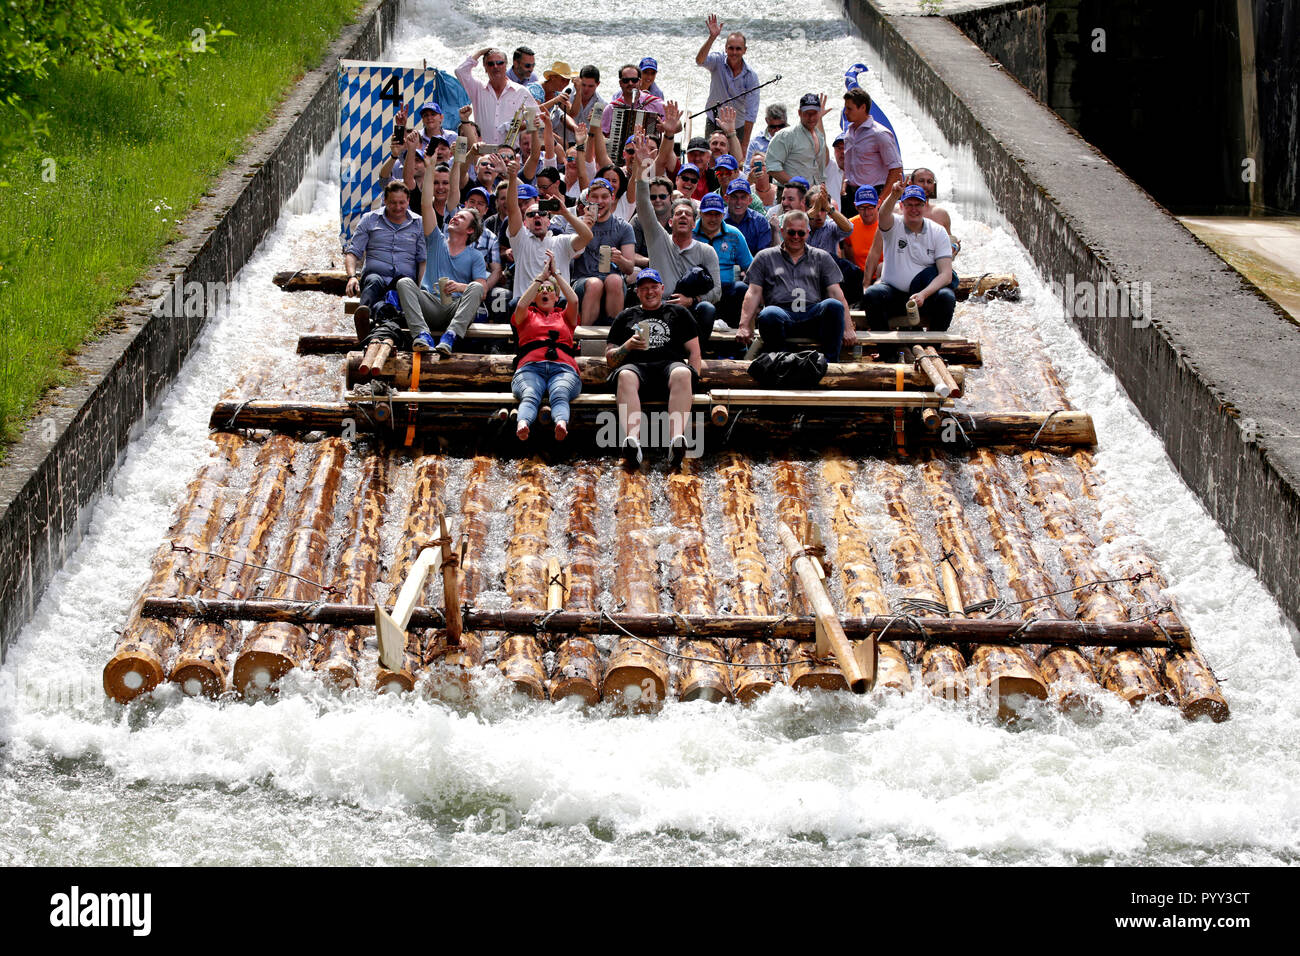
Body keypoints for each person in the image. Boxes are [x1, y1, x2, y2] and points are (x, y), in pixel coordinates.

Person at [630, 132, 722, 351]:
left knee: (707, 308)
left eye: (687, 215)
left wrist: (691, 300)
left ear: (694, 224)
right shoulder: (658, 239)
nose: (682, 216)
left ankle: (696, 354)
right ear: (670, 222)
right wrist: (643, 169)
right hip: (658, 309)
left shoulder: (706, 251)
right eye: (678, 214)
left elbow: (717, 290)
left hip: (690, 311)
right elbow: (643, 204)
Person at [606, 268, 703, 468]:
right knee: (624, 375)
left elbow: (695, 352)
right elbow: (610, 359)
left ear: (662, 288)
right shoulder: (626, 316)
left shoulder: (678, 313)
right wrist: (628, 346)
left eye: (653, 287)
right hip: (636, 368)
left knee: (683, 372)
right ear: (637, 292)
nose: (649, 292)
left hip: (669, 366)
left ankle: (676, 441)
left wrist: (695, 380)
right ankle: (633, 442)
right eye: (644, 289)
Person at [396, 149, 487, 354]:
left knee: (474, 288)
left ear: (470, 230)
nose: (454, 218)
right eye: (455, 216)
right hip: (430, 304)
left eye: (461, 218)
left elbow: (482, 290)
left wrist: (460, 287)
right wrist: (429, 170)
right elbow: (425, 204)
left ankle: (451, 336)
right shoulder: (436, 239)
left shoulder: (475, 255)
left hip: (456, 308)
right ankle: (421, 334)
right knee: (404, 283)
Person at [738, 209, 854, 362]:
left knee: (833, 305)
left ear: (808, 232)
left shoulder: (821, 256)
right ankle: (779, 363)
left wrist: (849, 327)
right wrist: (744, 325)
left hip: (812, 314)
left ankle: (830, 363)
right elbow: (753, 293)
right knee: (769, 314)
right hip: (781, 315)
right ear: (782, 231)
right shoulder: (765, 257)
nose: (796, 237)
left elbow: (836, 293)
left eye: (801, 233)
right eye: (791, 232)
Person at [861, 183, 955, 331]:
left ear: (925, 206)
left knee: (947, 296)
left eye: (918, 205)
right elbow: (883, 215)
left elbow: (946, 275)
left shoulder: (938, 231)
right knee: (873, 295)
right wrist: (893, 195)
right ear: (902, 206)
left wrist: (924, 294)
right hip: (894, 293)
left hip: (925, 295)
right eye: (909, 205)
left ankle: (934, 346)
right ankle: (887, 351)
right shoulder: (893, 225)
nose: (914, 209)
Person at [511, 253, 582, 441]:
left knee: (560, 392)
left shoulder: (565, 317)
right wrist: (540, 278)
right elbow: (520, 304)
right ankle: (523, 424)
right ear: (534, 297)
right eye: (540, 290)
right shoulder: (526, 315)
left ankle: (561, 423)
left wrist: (556, 274)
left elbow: (574, 300)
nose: (544, 292)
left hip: (563, 368)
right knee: (530, 393)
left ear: (556, 296)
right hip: (530, 367)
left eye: (549, 289)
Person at [506, 157, 593, 300]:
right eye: (531, 214)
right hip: (527, 308)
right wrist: (512, 177)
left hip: (557, 309)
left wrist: (565, 213)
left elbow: (587, 237)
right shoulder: (519, 239)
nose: (536, 216)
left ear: (548, 221)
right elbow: (512, 209)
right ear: (525, 223)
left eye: (541, 213)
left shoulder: (561, 241)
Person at [345, 182, 425, 334]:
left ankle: (405, 326)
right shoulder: (369, 219)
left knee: (404, 284)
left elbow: (423, 260)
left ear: (408, 201)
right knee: (373, 281)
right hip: (376, 276)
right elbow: (353, 252)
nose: (398, 207)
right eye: (393, 202)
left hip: (404, 280)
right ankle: (364, 322)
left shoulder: (418, 223)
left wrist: (421, 288)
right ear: (385, 201)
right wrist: (352, 277)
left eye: (402, 202)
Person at [570, 176, 635, 325]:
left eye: (604, 197)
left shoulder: (624, 227)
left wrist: (620, 260)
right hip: (582, 280)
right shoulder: (577, 223)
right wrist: (586, 228)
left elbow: (630, 268)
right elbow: (572, 255)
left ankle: (614, 336)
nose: (600, 202)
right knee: (595, 284)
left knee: (614, 279)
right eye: (595, 197)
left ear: (612, 197)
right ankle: (584, 337)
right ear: (588, 198)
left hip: (614, 282)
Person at [696, 13, 759, 150]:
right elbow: (699, 61)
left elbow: (751, 113)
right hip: (714, 122)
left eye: (738, 49)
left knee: (735, 165)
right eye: (731, 48)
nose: (734, 52)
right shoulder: (717, 61)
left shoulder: (751, 76)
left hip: (737, 127)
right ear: (726, 48)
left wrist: (745, 143)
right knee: (711, 162)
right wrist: (712, 38)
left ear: (744, 51)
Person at [840, 87, 903, 217]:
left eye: (849, 108)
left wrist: (881, 199)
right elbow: (849, 163)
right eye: (846, 108)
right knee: (848, 234)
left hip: (873, 195)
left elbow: (896, 168)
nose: (845, 112)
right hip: (851, 195)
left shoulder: (880, 134)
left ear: (863, 107)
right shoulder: (849, 133)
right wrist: (844, 183)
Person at [693, 192, 753, 327]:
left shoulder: (734, 234)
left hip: (726, 288)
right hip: (697, 288)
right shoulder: (691, 233)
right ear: (700, 213)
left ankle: (737, 336)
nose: (713, 219)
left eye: (717, 214)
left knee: (741, 288)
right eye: (709, 214)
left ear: (723, 214)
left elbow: (750, 266)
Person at [457, 48, 536, 143]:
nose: (495, 66)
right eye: (490, 64)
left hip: (511, 154)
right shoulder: (477, 89)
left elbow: (536, 122)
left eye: (500, 63)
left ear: (506, 65)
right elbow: (460, 71)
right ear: (485, 68)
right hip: (484, 154)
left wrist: (515, 126)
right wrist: (480, 52)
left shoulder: (521, 91)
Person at [765, 93, 830, 188]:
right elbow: (772, 167)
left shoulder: (820, 136)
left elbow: (822, 168)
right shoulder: (786, 135)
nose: (811, 117)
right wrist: (797, 186)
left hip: (815, 193)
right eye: (807, 113)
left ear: (819, 113)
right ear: (799, 113)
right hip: (790, 194)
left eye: (814, 113)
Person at [908, 167, 959, 255]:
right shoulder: (896, 211)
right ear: (910, 184)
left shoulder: (941, 214)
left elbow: (949, 245)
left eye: (929, 182)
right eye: (921, 181)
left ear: (933, 186)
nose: (925, 185)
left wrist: (955, 248)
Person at [844, 185, 882, 285]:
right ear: (855, 206)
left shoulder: (888, 223)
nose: (867, 212)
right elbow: (847, 248)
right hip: (860, 277)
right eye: (862, 207)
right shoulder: (850, 225)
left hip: (885, 277)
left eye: (870, 207)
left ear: (878, 203)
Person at [724, 179, 771, 255]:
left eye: (743, 197)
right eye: (734, 197)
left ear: (750, 200)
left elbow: (763, 256)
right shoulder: (718, 219)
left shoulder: (760, 222)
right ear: (726, 199)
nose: (738, 202)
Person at [565, 65, 605, 148]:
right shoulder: (567, 95)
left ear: (598, 84)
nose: (586, 89)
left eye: (590, 86)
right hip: (565, 142)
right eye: (583, 85)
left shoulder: (602, 104)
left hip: (586, 145)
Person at [745, 103, 788, 169]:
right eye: (773, 127)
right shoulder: (755, 142)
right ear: (766, 121)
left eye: (781, 126)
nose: (777, 130)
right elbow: (747, 169)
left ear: (786, 120)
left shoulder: (795, 137)